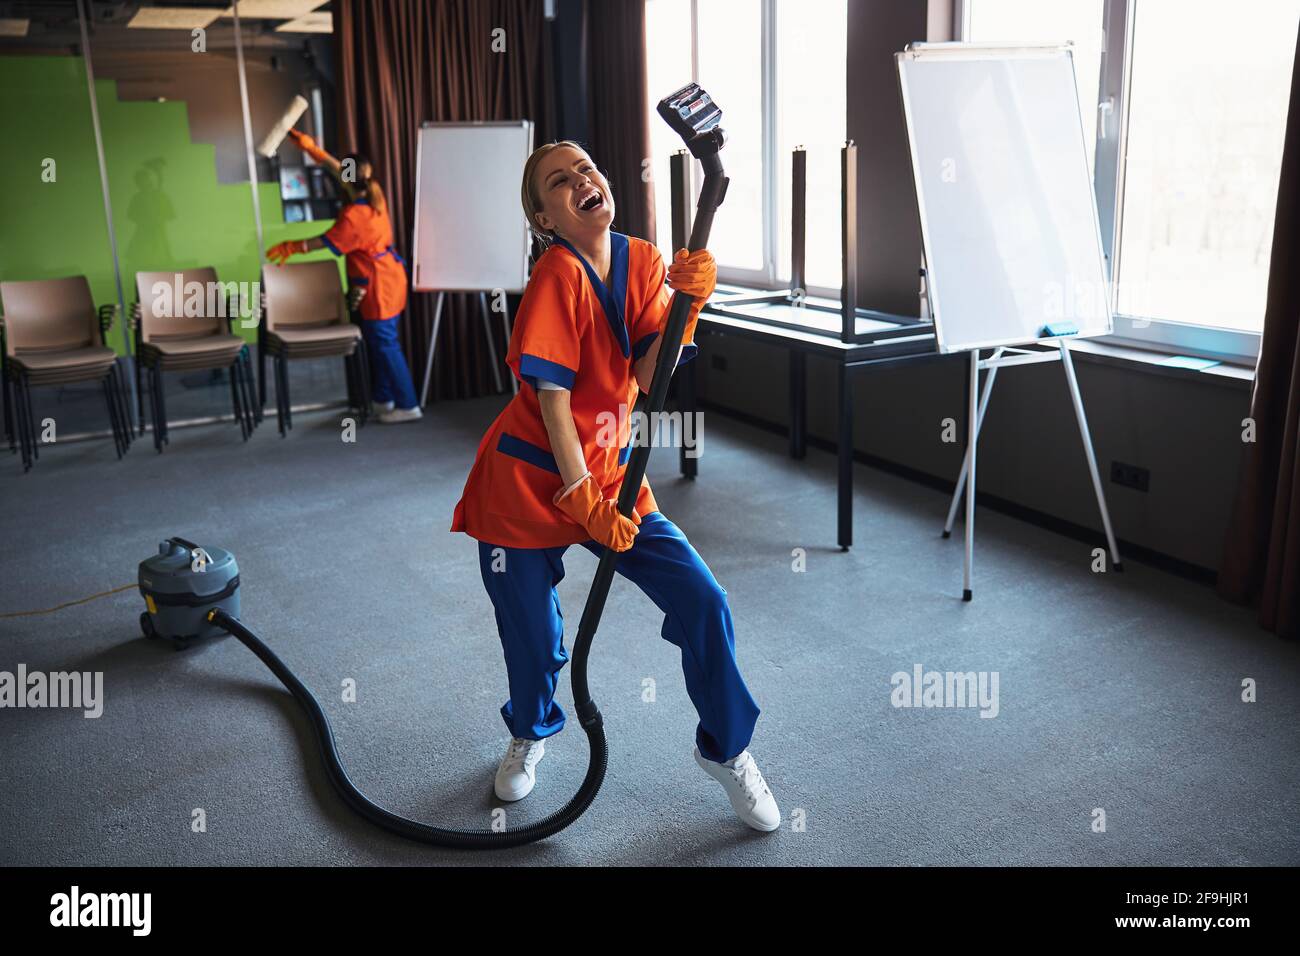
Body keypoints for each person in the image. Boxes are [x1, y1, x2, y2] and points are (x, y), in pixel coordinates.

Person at [450, 141, 780, 832]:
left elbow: (651, 369)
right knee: (532, 635)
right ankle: (530, 729)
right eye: (558, 182)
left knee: (702, 599)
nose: (580, 181)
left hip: (611, 474)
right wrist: (580, 501)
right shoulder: (555, 277)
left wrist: (688, 304)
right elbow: (551, 401)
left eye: (586, 169)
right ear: (545, 216)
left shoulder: (643, 261)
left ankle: (728, 750)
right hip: (526, 482)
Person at [265, 130, 421, 424]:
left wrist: (291, 246)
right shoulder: (374, 193)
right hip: (388, 278)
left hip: (378, 286)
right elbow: (339, 170)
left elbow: (324, 242)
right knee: (381, 342)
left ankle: (408, 404)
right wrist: (313, 150)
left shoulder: (353, 216)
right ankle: (384, 399)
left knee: (385, 344)